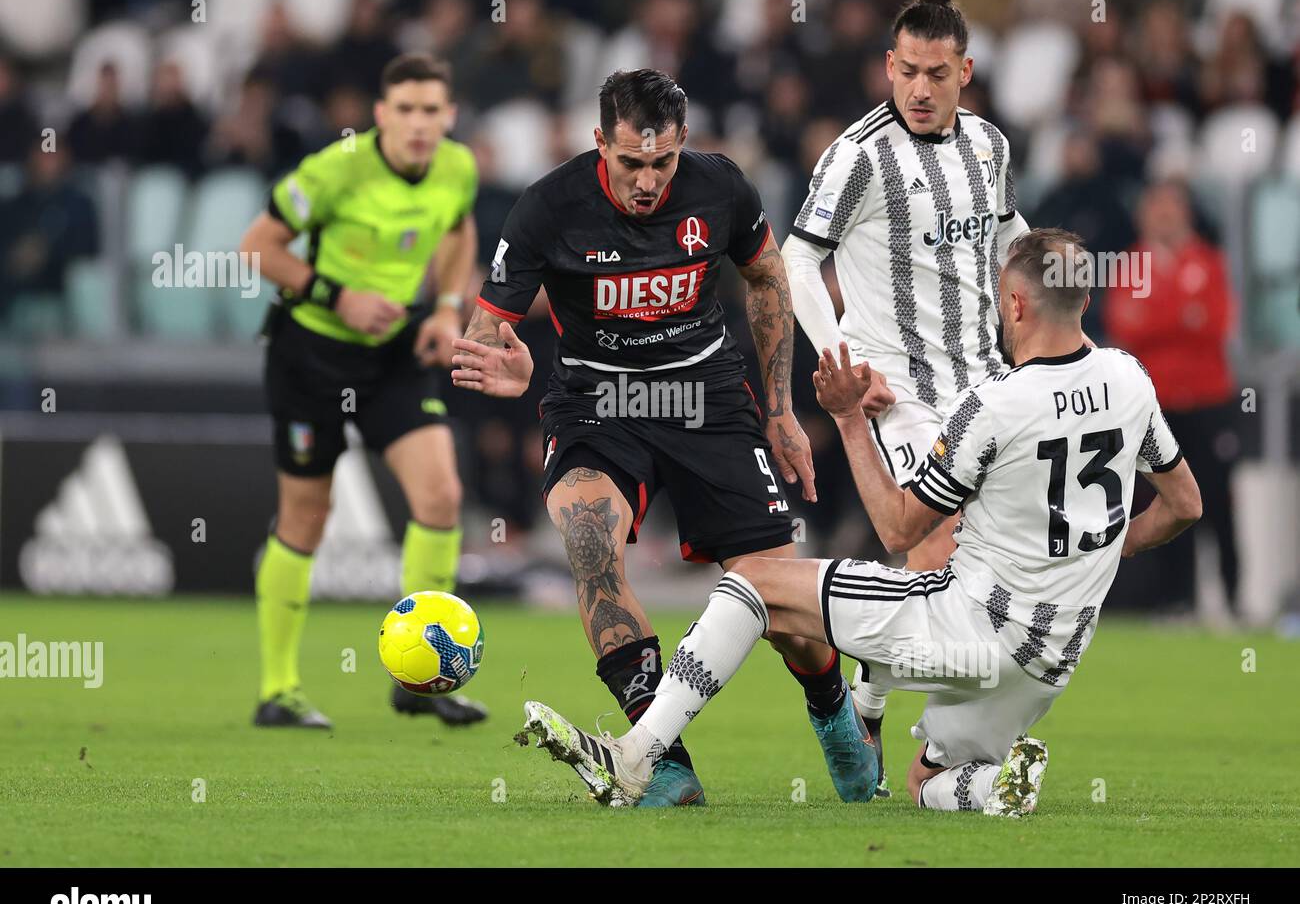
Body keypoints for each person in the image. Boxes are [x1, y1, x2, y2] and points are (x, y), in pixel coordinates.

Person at [520, 228, 1202, 816]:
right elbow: (1182, 505)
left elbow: (901, 530)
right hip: (1052, 659)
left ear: (1017, 303)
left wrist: (848, 418)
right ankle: (992, 786)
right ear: (1084, 297)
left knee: (756, 581)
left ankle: (636, 756)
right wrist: (1104, 552)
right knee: (928, 781)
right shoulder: (1130, 380)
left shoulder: (994, 405)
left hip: (967, 631)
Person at [451, 68, 879, 807]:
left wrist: (778, 411)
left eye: (663, 162)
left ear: (683, 145)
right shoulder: (548, 207)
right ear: (598, 144)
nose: (648, 180)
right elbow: (484, 332)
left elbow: (769, 279)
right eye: (630, 163)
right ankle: (661, 760)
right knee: (589, 542)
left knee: (779, 600)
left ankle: (834, 711)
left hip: (706, 396)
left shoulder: (721, 189)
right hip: (596, 401)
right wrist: (505, 362)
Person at [782, 0, 1029, 793]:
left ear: (965, 72)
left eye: (937, 74)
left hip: (986, 383)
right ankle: (951, 759)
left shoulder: (990, 147)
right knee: (939, 553)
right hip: (902, 394)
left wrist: (1044, 314)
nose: (919, 90)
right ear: (888, 65)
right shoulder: (857, 155)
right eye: (906, 72)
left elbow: (1005, 236)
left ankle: (872, 697)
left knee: (977, 575)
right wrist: (842, 364)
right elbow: (795, 258)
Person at [237, 53, 485, 729]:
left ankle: (420, 679)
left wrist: (445, 306)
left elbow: (461, 229)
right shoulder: (337, 169)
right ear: (381, 115)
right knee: (306, 518)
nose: (418, 124)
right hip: (310, 356)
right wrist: (336, 295)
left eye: (431, 111)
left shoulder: (458, 168)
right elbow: (257, 246)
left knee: (441, 494)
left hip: (392, 357)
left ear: (449, 117)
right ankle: (278, 689)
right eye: (404, 110)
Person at [1103, 180, 1239, 617]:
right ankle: (1175, 600)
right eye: (1155, 207)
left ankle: (1233, 599)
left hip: (1208, 403)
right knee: (1161, 502)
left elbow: (1215, 323)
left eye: (1170, 207)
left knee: (1218, 501)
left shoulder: (1208, 260)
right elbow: (1126, 325)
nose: (1163, 215)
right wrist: (1183, 313)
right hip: (1156, 410)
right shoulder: (1131, 264)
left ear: (1186, 213)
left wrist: (1160, 316)